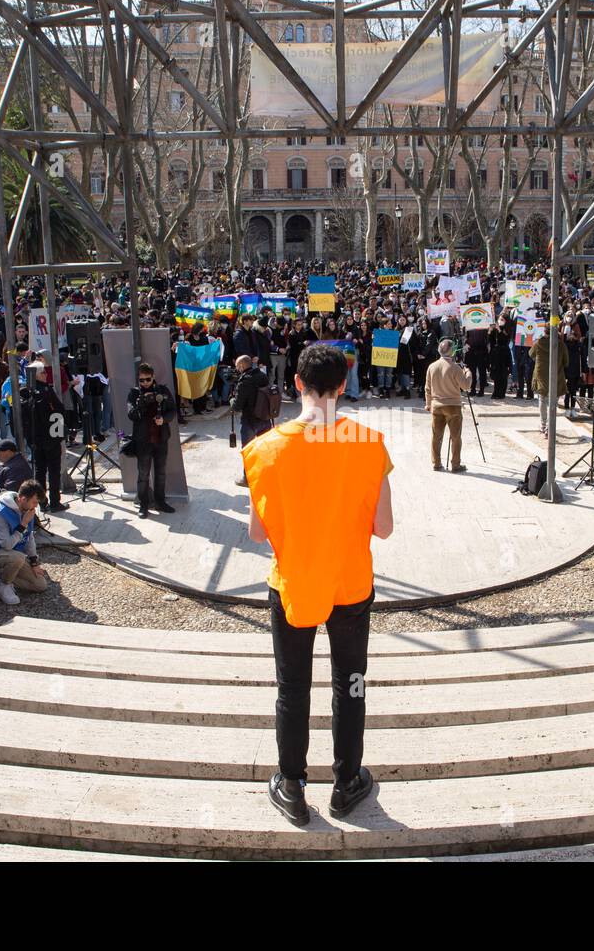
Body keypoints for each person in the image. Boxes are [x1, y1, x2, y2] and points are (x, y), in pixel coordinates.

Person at [242, 343, 393, 827]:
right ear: (344, 386)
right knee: (351, 685)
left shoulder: (265, 449)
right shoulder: (369, 443)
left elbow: (257, 533)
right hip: (350, 583)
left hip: (293, 584)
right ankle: (347, 783)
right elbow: (384, 527)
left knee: (293, 688)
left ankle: (292, 785)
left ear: (296, 385)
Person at [0, 480, 49, 606]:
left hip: (12, 555)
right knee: (18, 558)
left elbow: (29, 537)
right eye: (34, 502)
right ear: (22, 498)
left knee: (40, 585)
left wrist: (34, 562)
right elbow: (7, 544)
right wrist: (23, 524)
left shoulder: (28, 509)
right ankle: (3, 584)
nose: (36, 506)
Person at [126, 362, 178, 518]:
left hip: (161, 438)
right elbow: (131, 415)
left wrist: (164, 419)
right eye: (141, 380)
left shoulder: (162, 390)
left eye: (147, 379)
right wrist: (142, 403)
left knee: (161, 473)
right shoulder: (134, 394)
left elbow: (172, 410)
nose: (145, 383)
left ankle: (160, 502)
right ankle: (144, 504)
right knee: (143, 474)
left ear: (153, 377)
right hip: (143, 440)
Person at [18, 363, 67, 512]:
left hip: (36, 441)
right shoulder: (45, 391)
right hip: (49, 439)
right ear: (37, 375)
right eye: (43, 373)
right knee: (52, 471)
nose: (46, 375)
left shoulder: (25, 393)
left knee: (39, 471)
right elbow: (58, 412)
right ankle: (54, 501)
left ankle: (41, 501)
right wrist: (59, 437)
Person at [424, 338, 472, 472]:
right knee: (455, 437)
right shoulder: (455, 368)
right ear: (451, 351)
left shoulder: (432, 366)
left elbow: (427, 388)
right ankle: (455, 464)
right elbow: (466, 386)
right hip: (453, 406)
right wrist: (468, 373)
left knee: (436, 436)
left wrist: (428, 404)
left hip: (436, 405)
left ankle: (436, 463)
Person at [231, 355, 271, 486]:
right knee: (264, 449)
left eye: (237, 367)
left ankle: (247, 478)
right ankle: (265, 474)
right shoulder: (262, 375)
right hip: (265, 418)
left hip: (250, 421)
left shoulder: (245, 380)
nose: (237, 369)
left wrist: (232, 399)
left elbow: (237, 406)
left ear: (242, 366)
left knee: (248, 450)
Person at [529, 325, 568, 440]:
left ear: (544, 332)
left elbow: (530, 354)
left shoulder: (538, 343)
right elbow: (566, 361)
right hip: (556, 376)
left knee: (542, 400)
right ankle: (549, 428)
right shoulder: (560, 345)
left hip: (541, 376)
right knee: (553, 404)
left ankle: (543, 425)